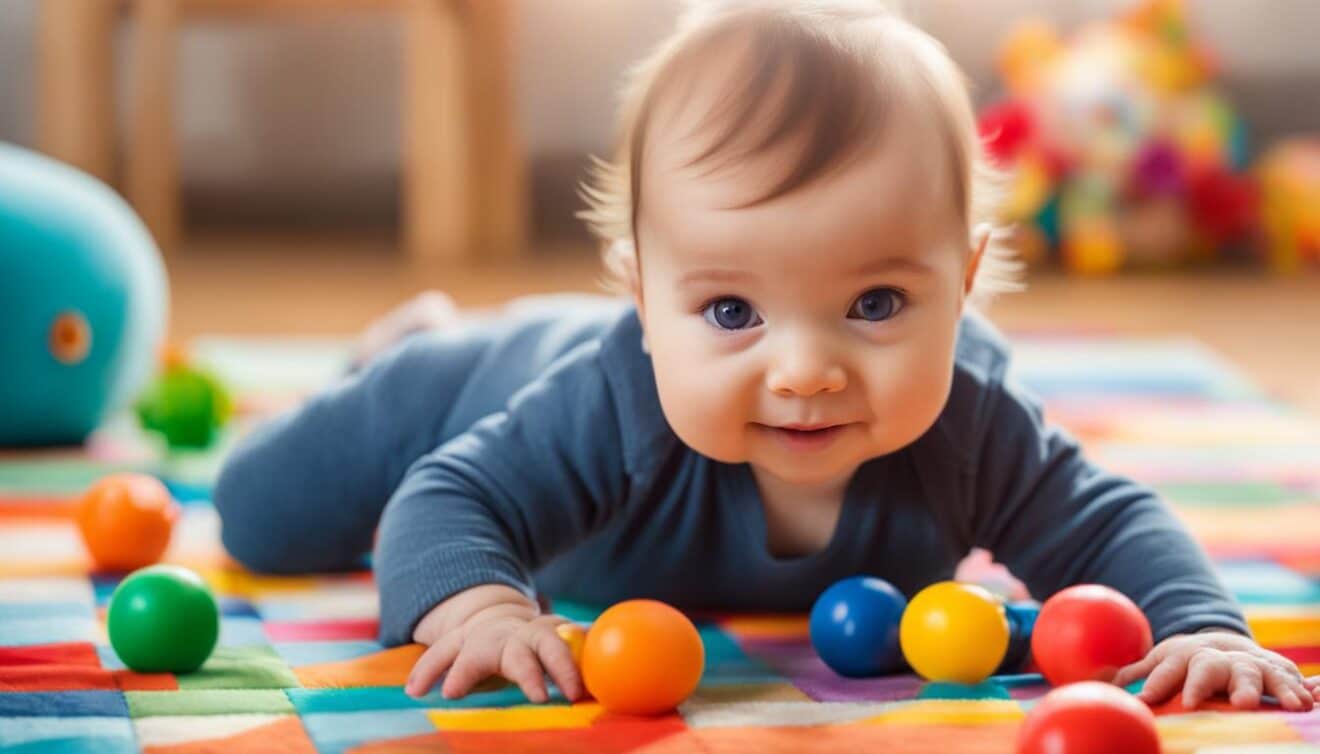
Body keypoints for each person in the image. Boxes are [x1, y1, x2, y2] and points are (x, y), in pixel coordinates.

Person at [214, 0, 1319, 712]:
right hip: (465, 387)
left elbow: (1112, 519)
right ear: (643, 295)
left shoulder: (972, 421)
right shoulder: (612, 403)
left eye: (876, 301)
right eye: (733, 310)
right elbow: (447, 495)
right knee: (259, 515)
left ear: (966, 282)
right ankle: (408, 341)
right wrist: (480, 608)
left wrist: (1203, 628)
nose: (804, 370)